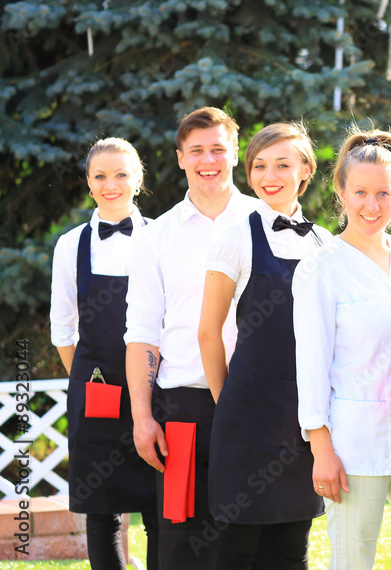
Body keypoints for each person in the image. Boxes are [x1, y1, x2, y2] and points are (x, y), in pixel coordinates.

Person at [293, 127, 391, 569]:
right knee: (352, 560)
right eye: (360, 192)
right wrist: (321, 447)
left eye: (384, 193)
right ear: (341, 190)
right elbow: (312, 363)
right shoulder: (320, 267)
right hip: (352, 443)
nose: (372, 205)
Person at [125, 107, 258, 568]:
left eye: (219, 148)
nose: (209, 160)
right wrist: (143, 417)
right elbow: (142, 333)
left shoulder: (266, 223)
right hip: (182, 409)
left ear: (236, 153)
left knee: (250, 536)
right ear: (180, 158)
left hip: (255, 404)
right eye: (197, 150)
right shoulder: (156, 236)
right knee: (181, 538)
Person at [197, 122, 331, 568]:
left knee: (293, 549)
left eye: (283, 164)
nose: (269, 175)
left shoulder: (325, 243)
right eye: (259, 166)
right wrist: (228, 403)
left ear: (306, 170)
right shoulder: (235, 236)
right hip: (246, 421)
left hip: (304, 420)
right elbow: (207, 331)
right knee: (238, 549)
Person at [50, 137, 158, 570]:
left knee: (160, 508)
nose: (110, 184)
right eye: (100, 176)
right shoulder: (69, 244)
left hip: (156, 389)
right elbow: (62, 327)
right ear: (89, 184)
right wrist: (87, 379)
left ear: (137, 180)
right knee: (102, 512)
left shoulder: (162, 237)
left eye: (120, 174)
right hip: (97, 393)